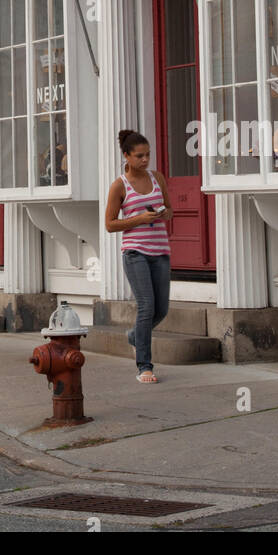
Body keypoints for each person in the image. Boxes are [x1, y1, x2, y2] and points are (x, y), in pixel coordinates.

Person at [104, 128, 172, 383]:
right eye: (140, 156)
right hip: (135, 253)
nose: (145, 160)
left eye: (148, 155)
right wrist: (139, 219)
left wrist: (165, 213)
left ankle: (135, 336)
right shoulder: (119, 186)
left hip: (160, 251)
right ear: (127, 157)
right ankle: (144, 366)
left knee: (161, 309)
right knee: (146, 306)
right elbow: (110, 224)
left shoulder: (157, 178)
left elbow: (170, 209)